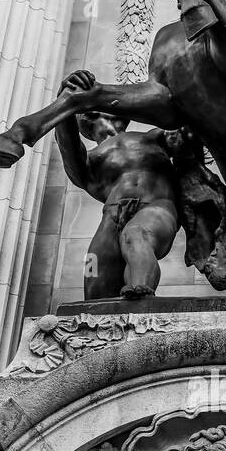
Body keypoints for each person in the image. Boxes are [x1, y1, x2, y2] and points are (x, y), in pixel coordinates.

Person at [53, 69, 180, 299]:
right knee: (94, 269)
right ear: (86, 118)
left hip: (156, 206)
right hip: (111, 217)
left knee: (135, 234)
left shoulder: (152, 138)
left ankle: (141, 297)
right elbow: (67, 144)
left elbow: (181, 129)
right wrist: (64, 100)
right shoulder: (88, 163)